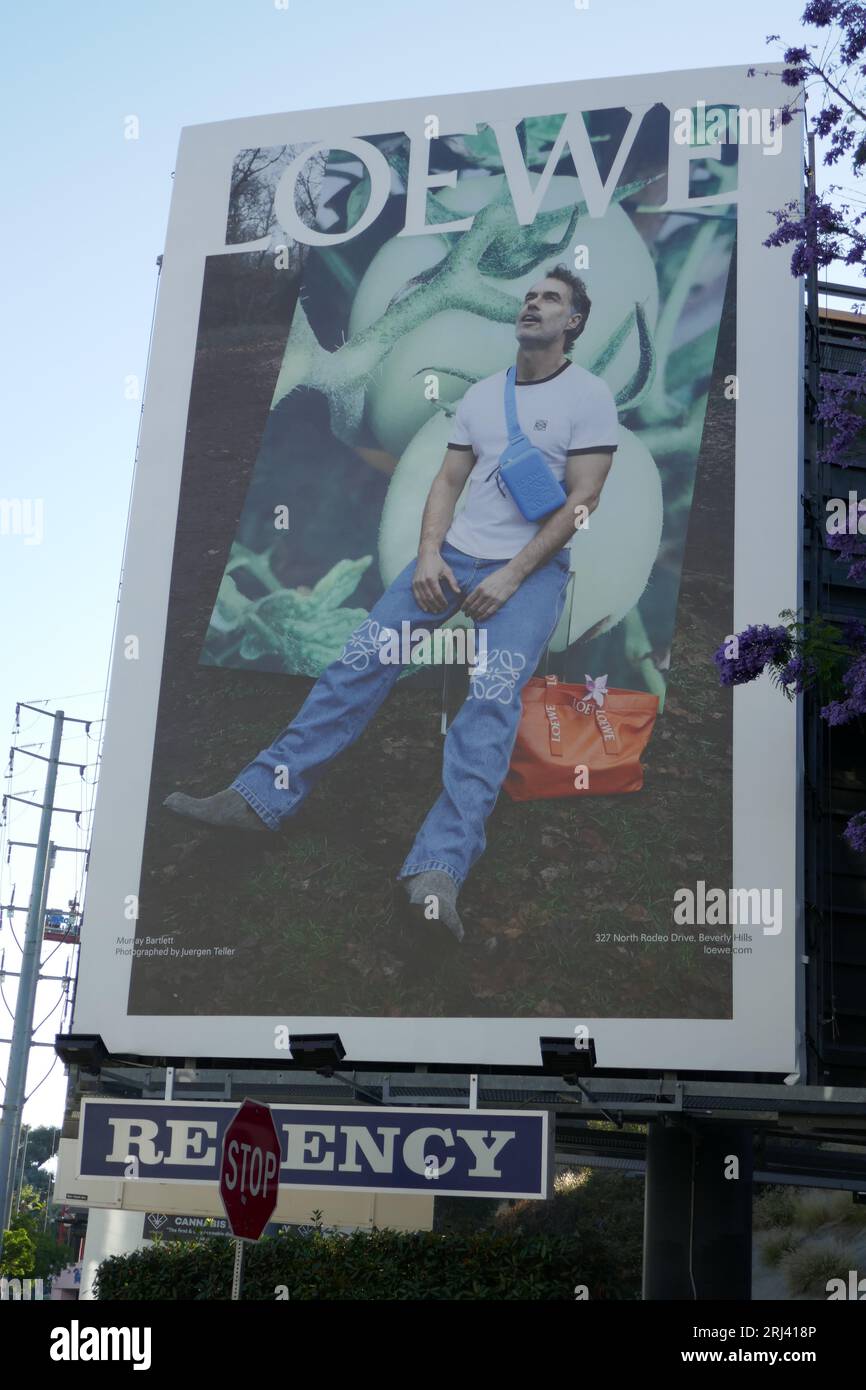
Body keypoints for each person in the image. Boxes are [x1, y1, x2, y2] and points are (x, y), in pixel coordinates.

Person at [165, 263, 618, 945]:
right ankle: (258, 798)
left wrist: (514, 575)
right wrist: (431, 553)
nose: (533, 305)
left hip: (533, 574)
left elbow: (585, 498)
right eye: (528, 296)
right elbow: (446, 478)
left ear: (574, 322)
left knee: (490, 703)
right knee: (357, 663)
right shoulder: (484, 396)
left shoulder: (590, 397)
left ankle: (437, 870)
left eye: (550, 298)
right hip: (452, 557)